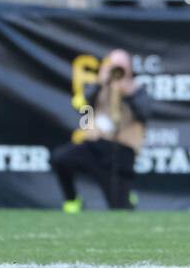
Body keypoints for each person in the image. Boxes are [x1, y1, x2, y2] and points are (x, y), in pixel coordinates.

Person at [50, 49, 147, 211]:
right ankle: (72, 201)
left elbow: (144, 113)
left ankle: (127, 198)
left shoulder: (137, 90)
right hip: (95, 147)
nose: (117, 70)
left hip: (120, 153)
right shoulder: (101, 86)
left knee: (120, 209)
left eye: (121, 65)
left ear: (129, 68)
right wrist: (100, 83)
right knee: (61, 158)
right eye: (113, 64)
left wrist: (128, 93)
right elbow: (84, 108)